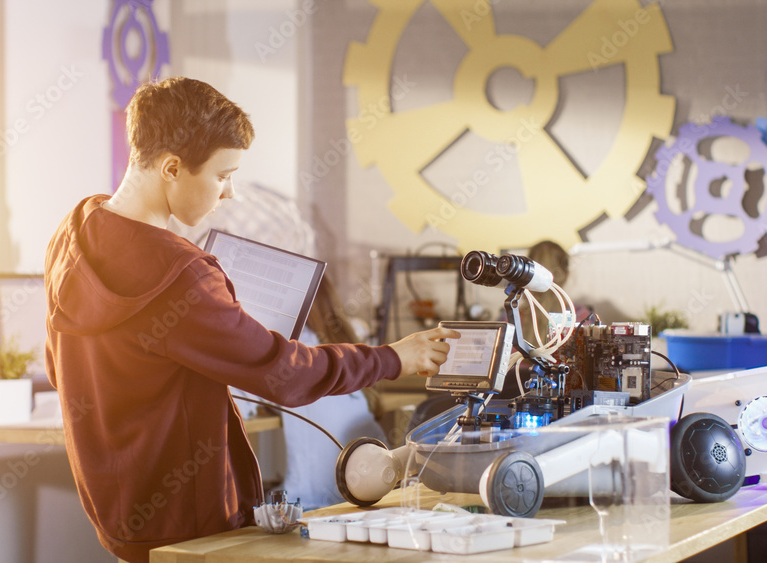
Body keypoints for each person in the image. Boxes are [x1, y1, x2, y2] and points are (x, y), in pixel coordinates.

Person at [44, 77, 457, 563]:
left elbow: (61, 369)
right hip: (192, 526)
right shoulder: (183, 275)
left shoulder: (73, 233)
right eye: (222, 176)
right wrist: (393, 358)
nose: (230, 193)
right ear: (172, 168)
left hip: (119, 513)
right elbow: (284, 374)